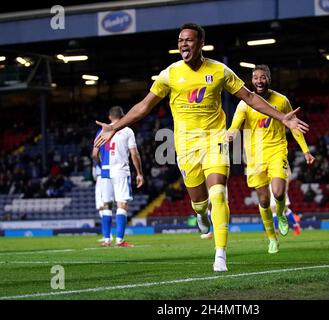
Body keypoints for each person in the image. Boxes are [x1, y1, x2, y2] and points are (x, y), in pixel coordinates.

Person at [95, 23, 309, 272]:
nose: (183, 44)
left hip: (214, 141)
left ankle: (220, 255)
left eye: (189, 40)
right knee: (199, 202)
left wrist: (282, 117)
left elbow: (250, 98)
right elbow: (144, 106)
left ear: (201, 44)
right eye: (180, 40)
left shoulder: (219, 71)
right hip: (185, 147)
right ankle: (200, 215)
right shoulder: (170, 74)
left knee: (218, 194)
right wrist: (116, 126)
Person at [226, 64, 314, 254]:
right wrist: (230, 136)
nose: (259, 80)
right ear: (252, 80)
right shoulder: (244, 104)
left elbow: (293, 126)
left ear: (269, 79)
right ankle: (272, 239)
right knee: (264, 201)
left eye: (263, 77)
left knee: (279, 192)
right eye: (256, 77)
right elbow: (234, 127)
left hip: (277, 151)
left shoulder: (282, 101)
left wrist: (306, 151)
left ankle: (281, 214)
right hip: (254, 157)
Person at [98, 106, 144, 247]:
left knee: (106, 204)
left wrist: (100, 165)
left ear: (110, 117)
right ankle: (119, 240)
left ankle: (106, 239)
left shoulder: (103, 130)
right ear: (123, 116)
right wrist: (139, 173)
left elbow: (95, 153)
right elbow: (134, 154)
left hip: (105, 171)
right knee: (121, 204)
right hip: (120, 170)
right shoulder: (127, 130)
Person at [92, 129, 114, 244]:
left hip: (102, 177)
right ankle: (107, 234)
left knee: (103, 205)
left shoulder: (100, 157)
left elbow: (95, 155)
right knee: (103, 206)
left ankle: (108, 235)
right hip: (102, 177)